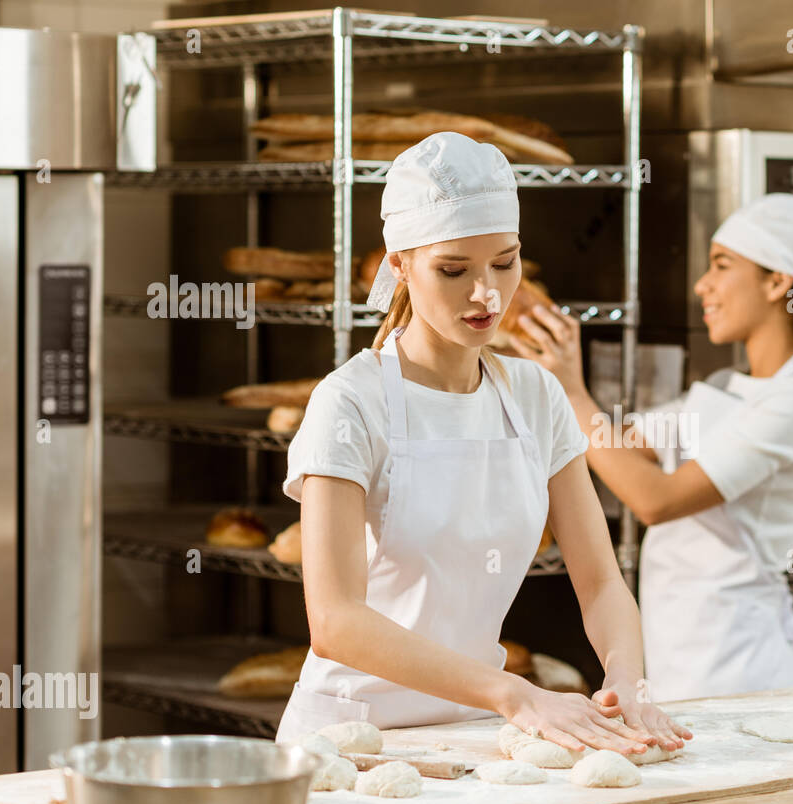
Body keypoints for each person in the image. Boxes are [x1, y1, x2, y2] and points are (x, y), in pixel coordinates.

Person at [275, 132, 690, 758]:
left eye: (505, 262)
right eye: (454, 270)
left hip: (471, 735)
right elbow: (335, 622)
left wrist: (626, 680)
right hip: (350, 735)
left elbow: (602, 582)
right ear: (400, 267)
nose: (487, 294)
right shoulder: (351, 401)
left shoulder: (535, 395)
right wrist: (514, 693)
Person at [515, 193, 793, 702]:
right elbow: (621, 449)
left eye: (722, 265)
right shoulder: (727, 386)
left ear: (778, 282)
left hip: (740, 670)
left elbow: (655, 499)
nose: (701, 285)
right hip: (681, 656)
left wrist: (570, 389)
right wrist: (538, 358)